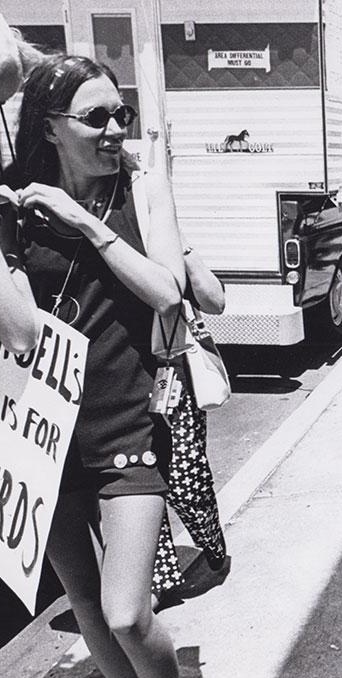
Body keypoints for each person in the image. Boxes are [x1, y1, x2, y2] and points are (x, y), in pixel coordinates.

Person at [0, 54, 198, 678]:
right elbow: (20, 338)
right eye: (96, 117)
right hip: (43, 440)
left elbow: (168, 292)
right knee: (90, 615)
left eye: (120, 114)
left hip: (128, 423)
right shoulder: (15, 207)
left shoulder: (142, 185)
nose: (115, 130)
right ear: (51, 126)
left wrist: (86, 226)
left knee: (129, 610)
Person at [153, 242, 229, 599]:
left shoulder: (164, 244)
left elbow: (216, 302)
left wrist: (185, 255)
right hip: (117, 382)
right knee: (137, 484)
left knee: (186, 478)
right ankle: (159, 579)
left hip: (171, 381)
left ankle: (213, 547)